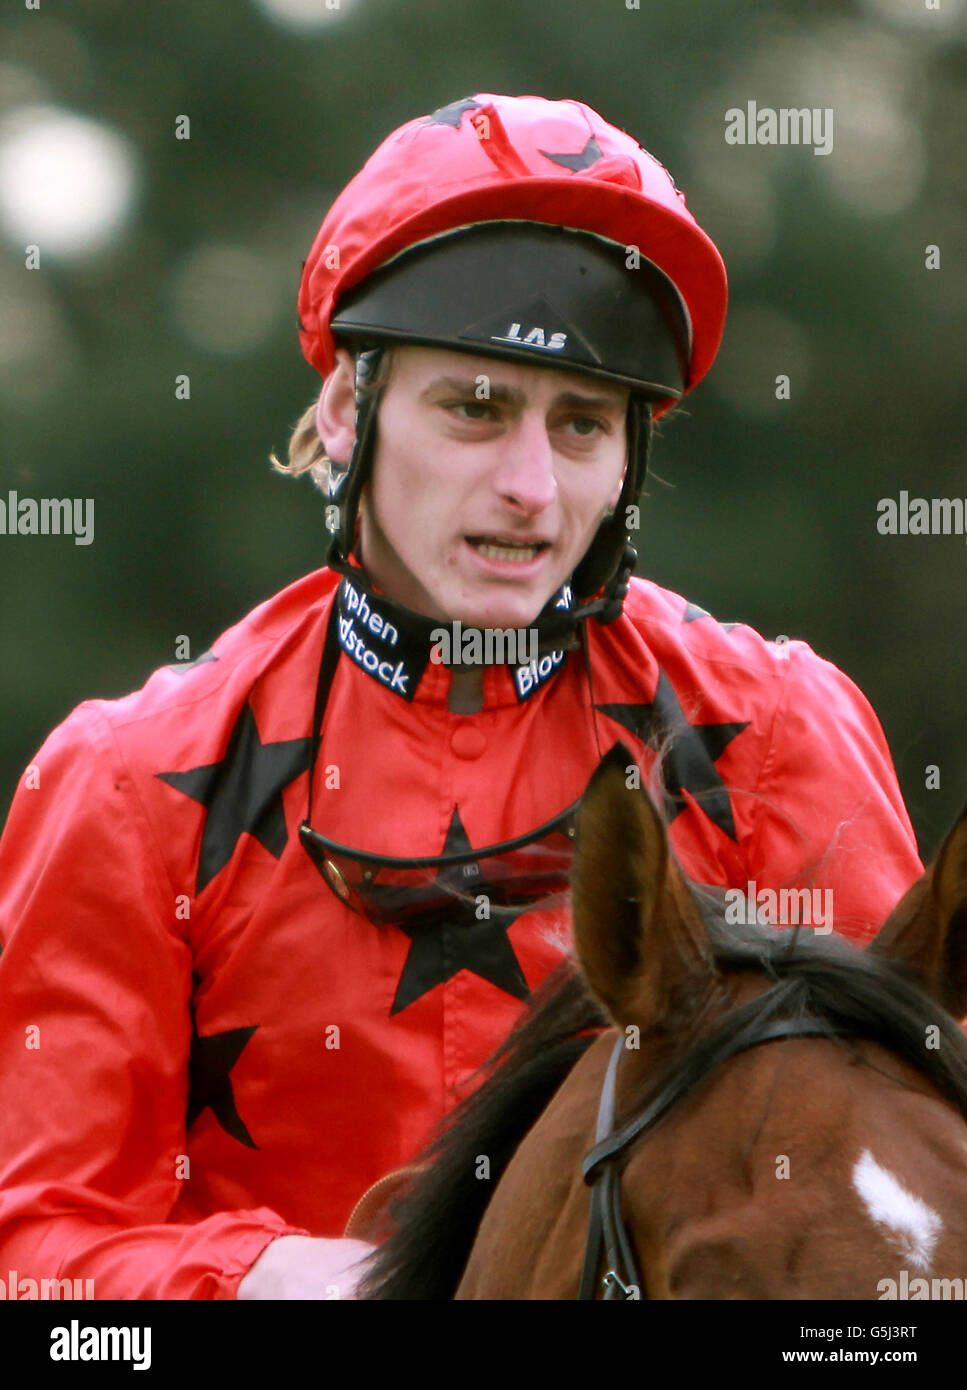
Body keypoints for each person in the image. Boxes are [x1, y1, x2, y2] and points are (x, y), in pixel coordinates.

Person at [0, 93, 922, 1301]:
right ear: (346, 413)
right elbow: (34, 1271)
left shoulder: (780, 734)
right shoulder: (126, 778)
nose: (531, 486)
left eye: (581, 424)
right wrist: (297, 1285)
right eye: (474, 408)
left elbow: (903, 1208)